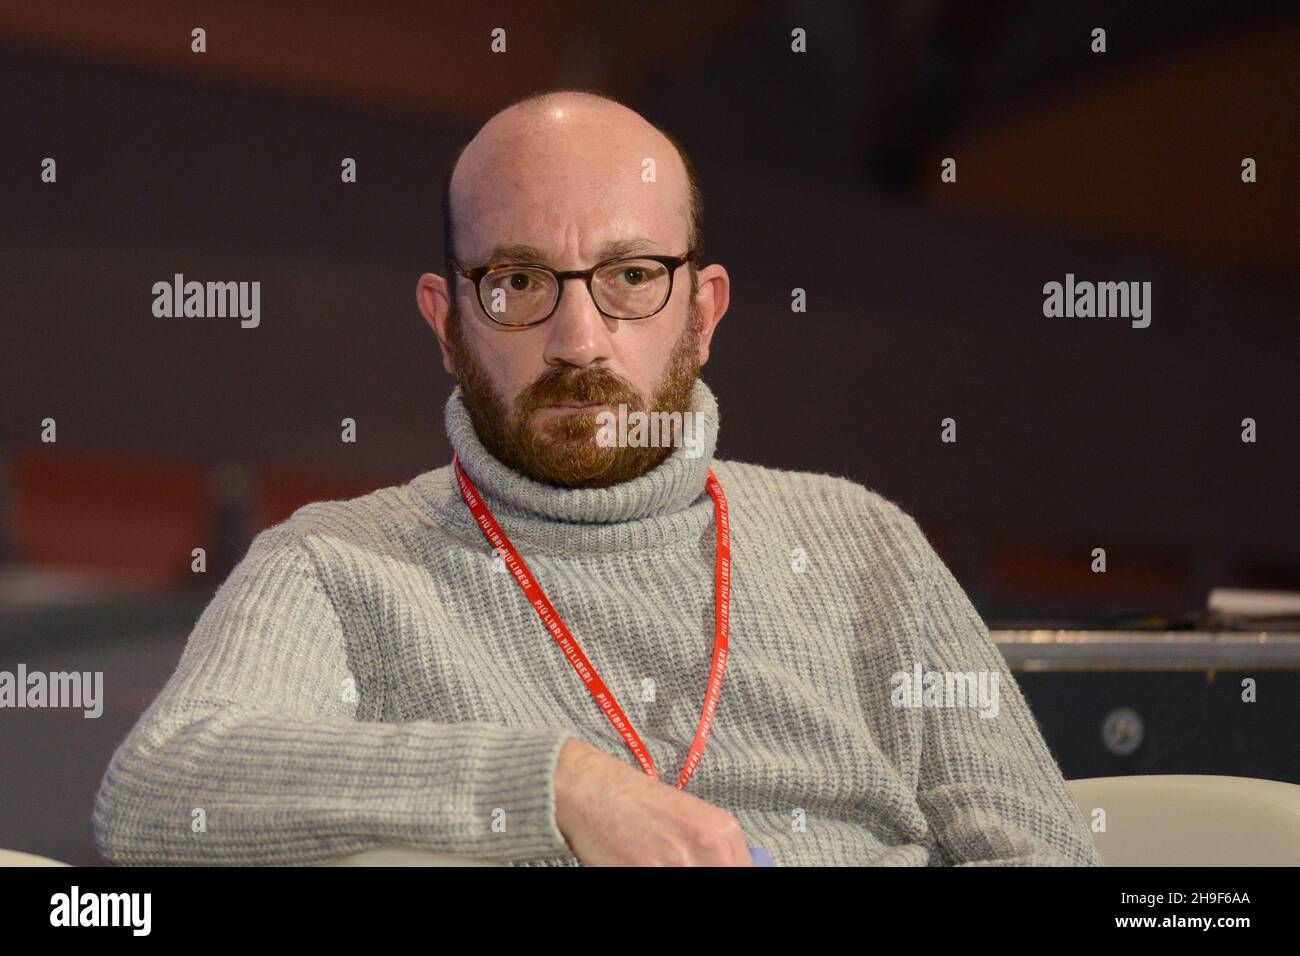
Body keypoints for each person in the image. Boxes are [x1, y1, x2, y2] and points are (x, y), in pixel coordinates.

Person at [93, 89, 1101, 867]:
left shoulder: (860, 541)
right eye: (520, 282)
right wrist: (557, 782)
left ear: (701, 312)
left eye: (628, 277)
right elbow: (159, 787)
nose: (579, 339)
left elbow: (1043, 852)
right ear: (447, 324)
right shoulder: (340, 564)